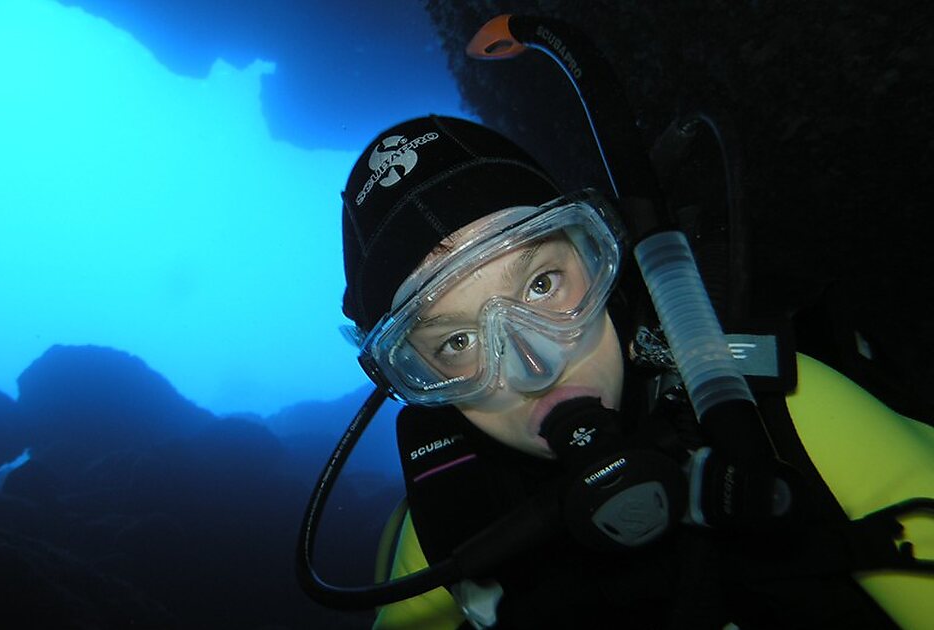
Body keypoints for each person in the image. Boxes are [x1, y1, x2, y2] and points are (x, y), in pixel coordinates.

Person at [335, 114, 934, 629]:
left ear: (601, 257)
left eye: (542, 284)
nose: (536, 366)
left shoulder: (781, 413)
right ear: (416, 376)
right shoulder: (449, 532)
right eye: (459, 341)